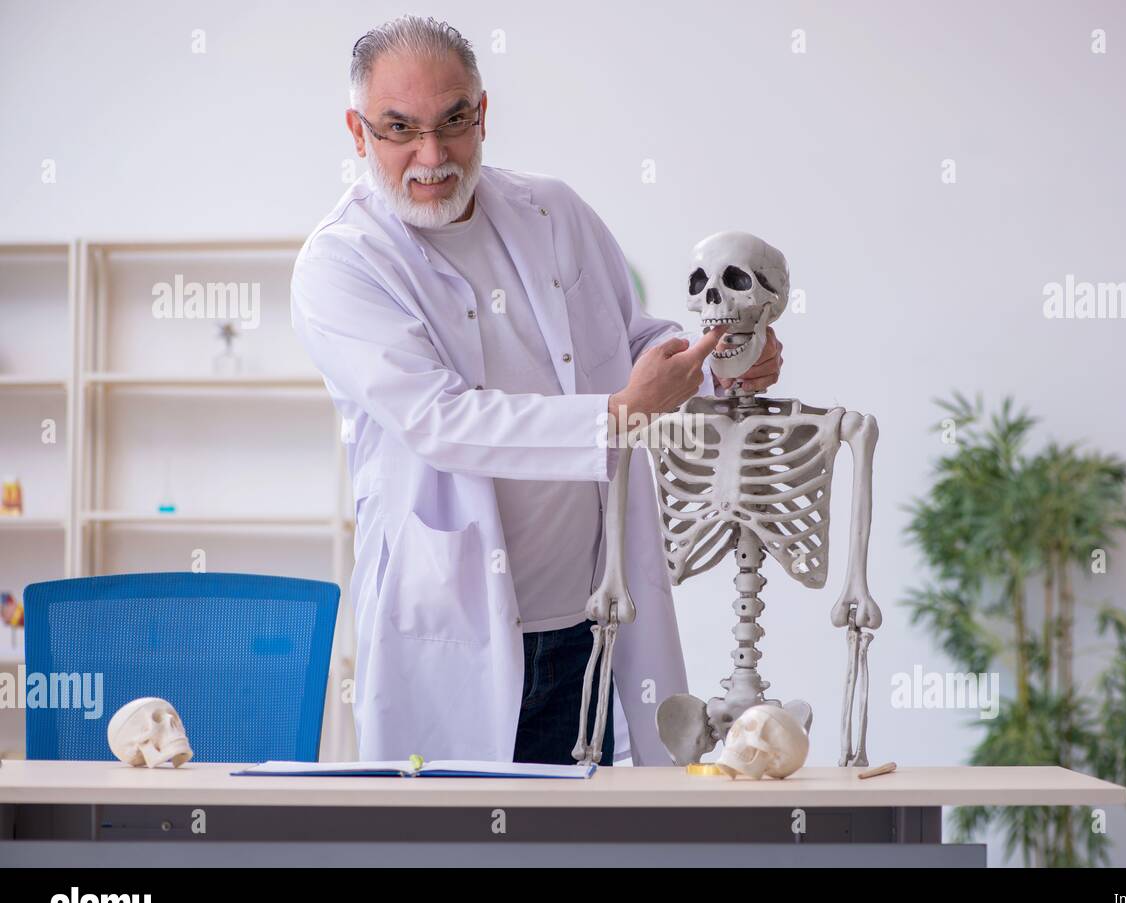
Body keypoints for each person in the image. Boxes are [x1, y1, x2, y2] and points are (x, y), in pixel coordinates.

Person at [291, 16, 784, 766]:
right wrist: (619, 414)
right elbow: (440, 420)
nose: (432, 155)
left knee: (602, 842)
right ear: (358, 134)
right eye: (400, 129)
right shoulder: (340, 265)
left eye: (453, 121)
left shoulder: (553, 211)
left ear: (482, 113)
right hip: (460, 631)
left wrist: (717, 363)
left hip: (594, 620)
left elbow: (636, 339)